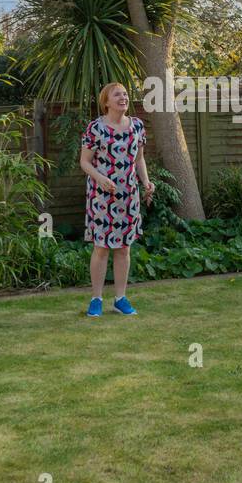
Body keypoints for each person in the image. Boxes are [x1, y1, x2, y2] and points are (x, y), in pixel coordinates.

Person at [78, 81, 154, 318]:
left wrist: (146, 182)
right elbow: (84, 162)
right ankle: (96, 299)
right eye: (117, 95)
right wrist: (100, 178)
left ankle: (120, 298)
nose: (123, 97)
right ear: (106, 102)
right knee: (101, 248)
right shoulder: (95, 128)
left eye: (125, 94)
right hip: (101, 197)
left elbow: (138, 159)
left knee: (123, 248)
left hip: (128, 196)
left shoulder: (137, 126)